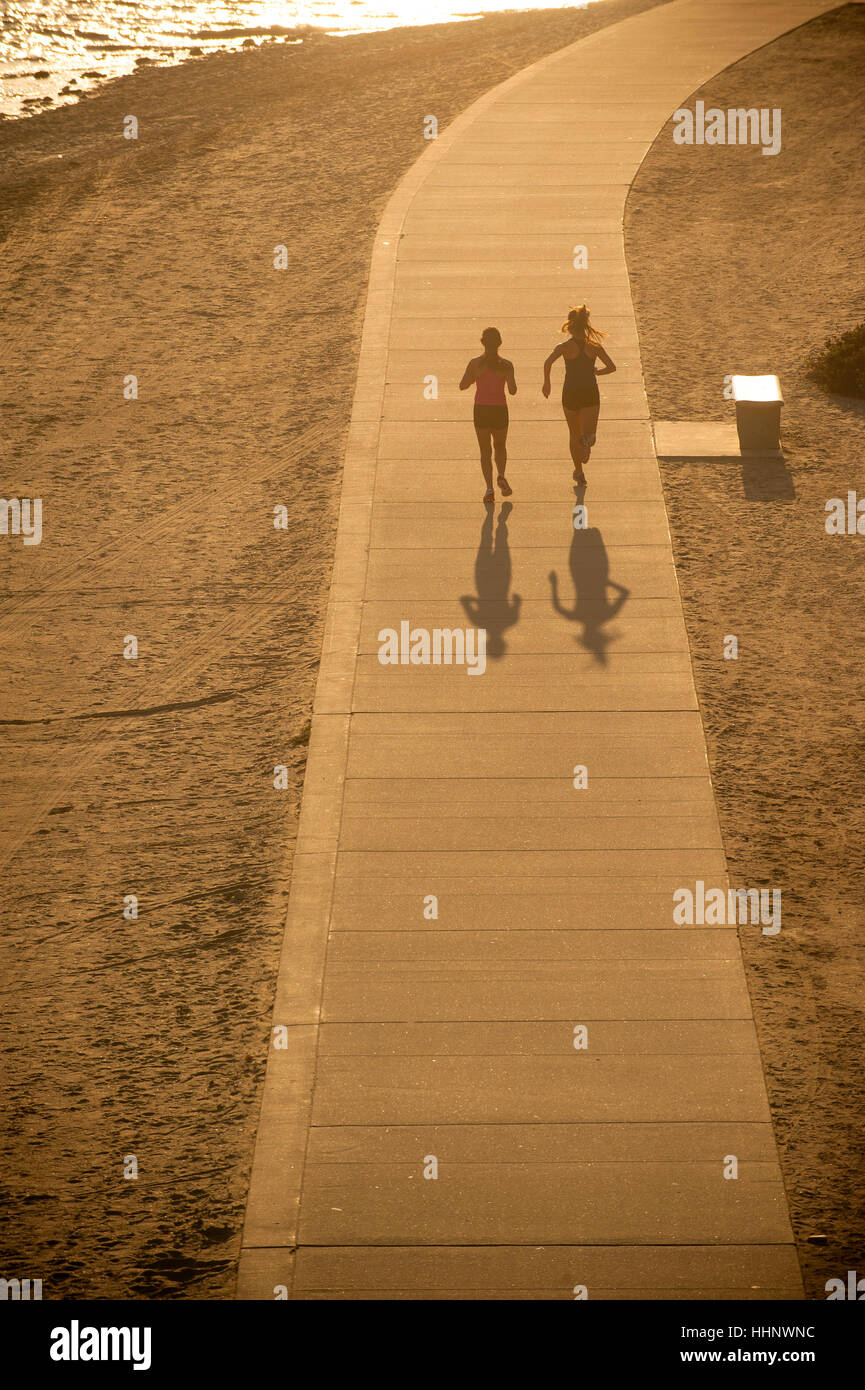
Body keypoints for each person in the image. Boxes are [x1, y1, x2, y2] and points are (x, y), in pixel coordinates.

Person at [542, 305, 616, 484]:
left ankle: (578, 471)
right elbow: (612, 367)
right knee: (590, 435)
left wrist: (547, 382)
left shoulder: (564, 347)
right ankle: (587, 443)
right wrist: (598, 372)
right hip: (590, 391)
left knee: (573, 435)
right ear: (586, 325)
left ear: (570, 326)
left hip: (570, 392)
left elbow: (548, 363)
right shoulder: (594, 346)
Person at [459, 327, 517, 503]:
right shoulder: (507, 365)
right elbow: (513, 391)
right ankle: (501, 474)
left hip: (481, 410)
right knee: (500, 446)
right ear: (500, 343)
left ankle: (489, 489)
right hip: (500, 409)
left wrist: (474, 379)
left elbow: (462, 385)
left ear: (482, 343)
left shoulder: (475, 364)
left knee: (485, 451)